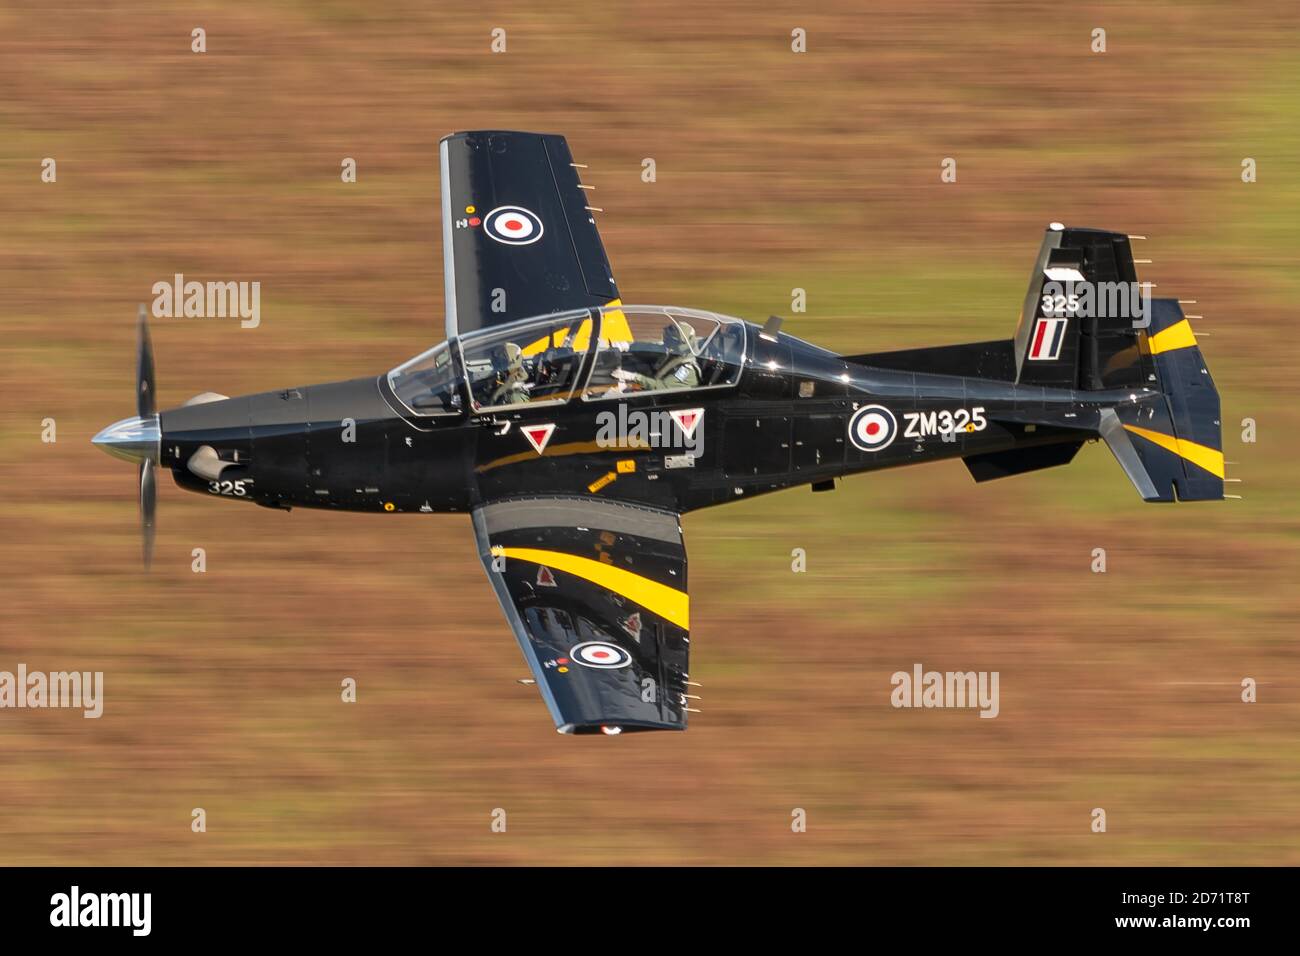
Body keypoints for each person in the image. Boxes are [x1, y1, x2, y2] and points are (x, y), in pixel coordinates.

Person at [612, 319, 701, 391]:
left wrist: (633, 377)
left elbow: (661, 387)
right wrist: (629, 346)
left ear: (682, 344)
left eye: (671, 339)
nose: (667, 340)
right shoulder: (675, 354)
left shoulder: (686, 369)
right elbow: (651, 347)